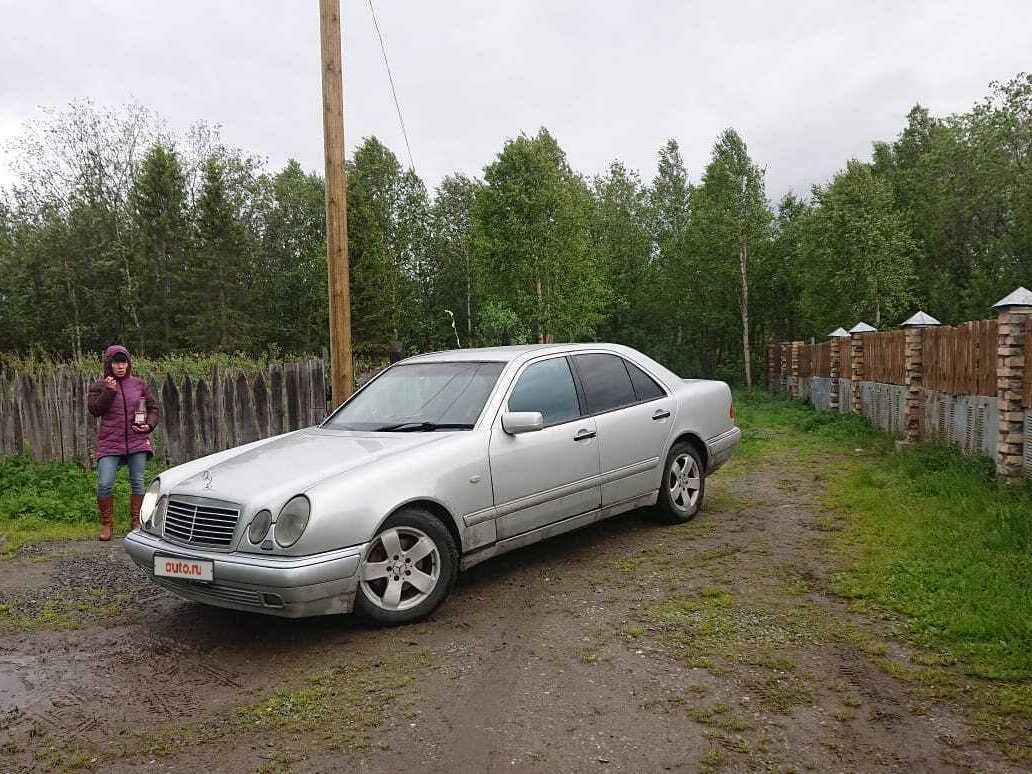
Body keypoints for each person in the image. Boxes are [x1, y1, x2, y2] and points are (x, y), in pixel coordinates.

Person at [87, 345, 160, 541]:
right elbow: (95, 410)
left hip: (137, 441)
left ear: (128, 363)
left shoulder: (139, 384)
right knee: (104, 484)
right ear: (108, 364)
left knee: (137, 482)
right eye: (116, 362)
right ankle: (107, 524)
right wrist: (109, 391)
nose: (120, 366)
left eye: (124, 362)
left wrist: (149, 425)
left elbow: (153, 408)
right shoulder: (99, 386)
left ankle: (136, 522)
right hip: (110, 442)